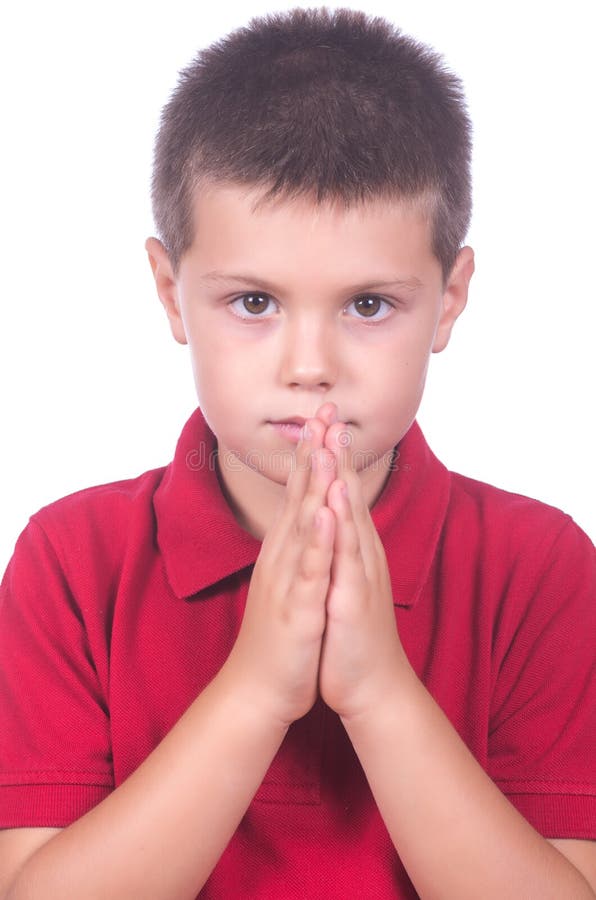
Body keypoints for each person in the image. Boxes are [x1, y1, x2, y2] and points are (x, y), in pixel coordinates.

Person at [0, 7, 594, 898]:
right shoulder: (72, 561)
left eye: (368, 305)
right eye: (253, 303)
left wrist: (381, 692)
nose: (310, 366)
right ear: (169, 291)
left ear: (449, 299)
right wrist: (255, 690)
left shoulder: (539, 567)